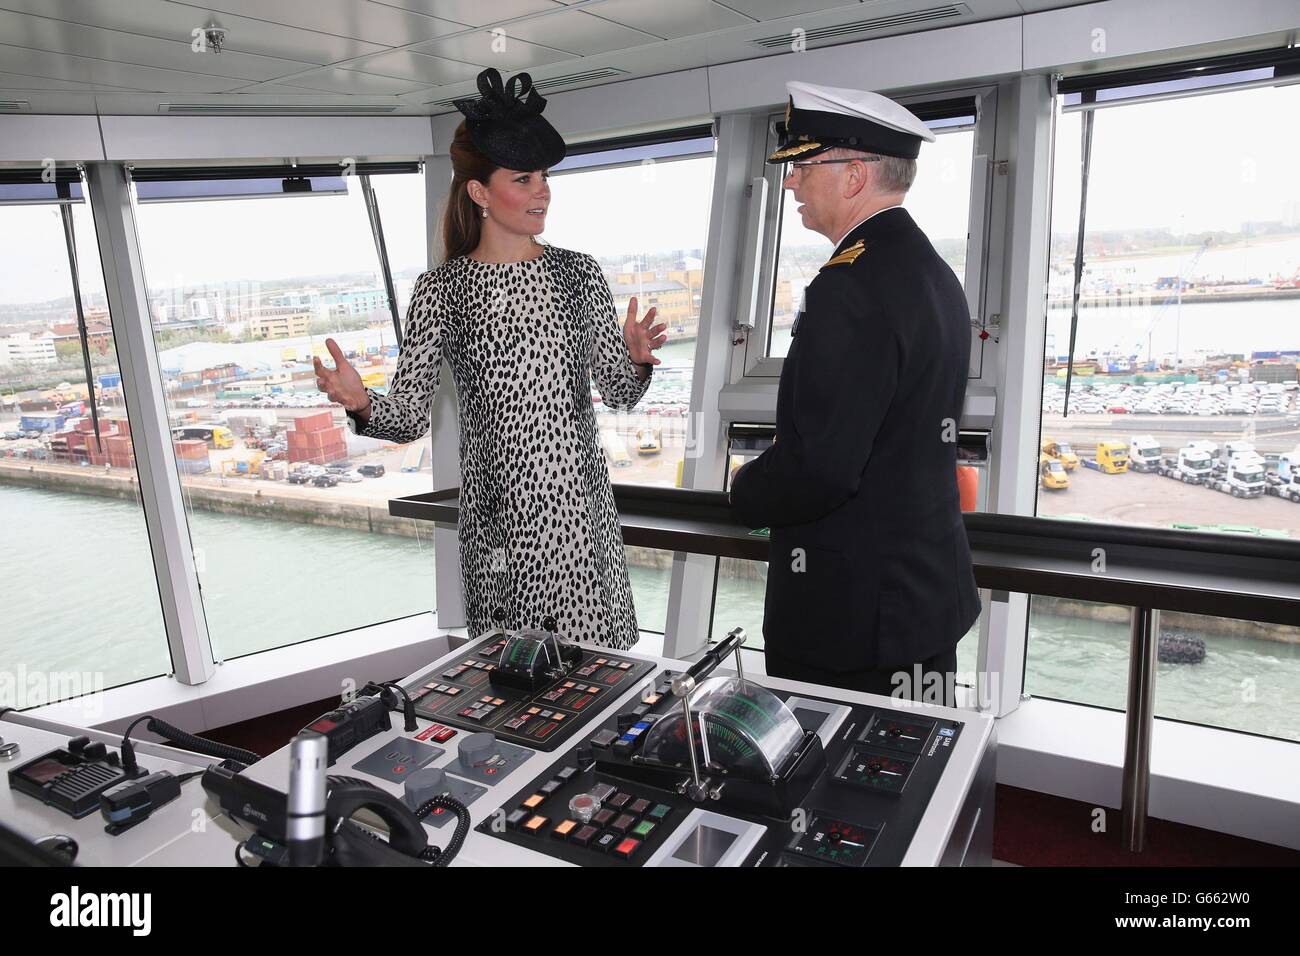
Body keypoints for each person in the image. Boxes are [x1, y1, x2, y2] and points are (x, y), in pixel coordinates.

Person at [314, 68, 667, 649]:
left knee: (595, 687)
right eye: (524, 179)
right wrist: (360, 401)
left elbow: (623, 393)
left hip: (581, 521)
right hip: (498, 524)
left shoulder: (578, 274)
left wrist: (638, 360)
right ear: (479, 192)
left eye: (545, 178)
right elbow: (404, 418)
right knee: (514, 685)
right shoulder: (442, 290)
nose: (543, 192)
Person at [729, 81, 980, 703]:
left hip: (853, 619)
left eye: (802, 165)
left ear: (852, 176)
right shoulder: (932, 272)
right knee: (914, 784)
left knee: (833, 790)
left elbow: (823, 467)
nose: (790, 184)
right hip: (920, 604)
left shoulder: (850, 286)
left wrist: (743, 490)